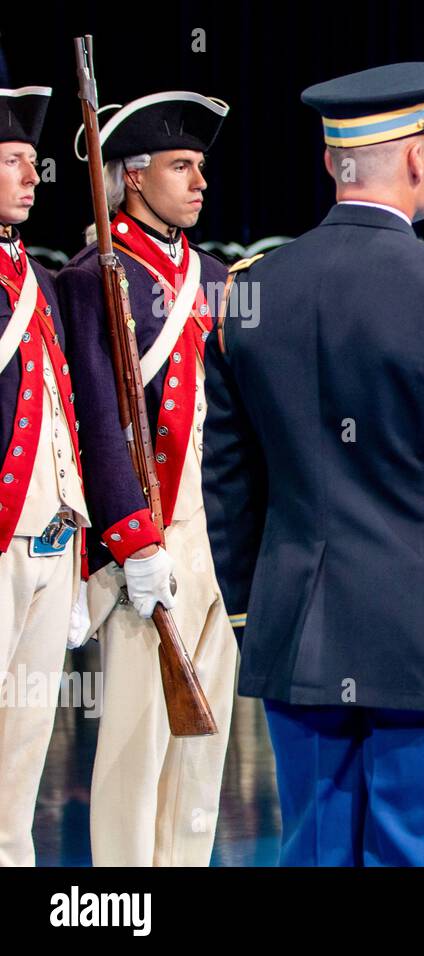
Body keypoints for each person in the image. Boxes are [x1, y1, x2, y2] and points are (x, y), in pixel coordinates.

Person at [202, 62, 424, 866]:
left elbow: (228, 485)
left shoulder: (248, 291)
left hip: (294, 636)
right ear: (419, 160)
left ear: (330, 163)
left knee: (313, 851)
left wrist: (254, 621)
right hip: (420, 640)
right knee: (412, 853)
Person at [58, 90, 237, 868]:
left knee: (205, 749)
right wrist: (132, 538)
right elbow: (97, 416)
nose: (199, 182)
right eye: (180, 166)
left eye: (201, 167)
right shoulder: (95, 275)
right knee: (136, 748)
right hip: (151, 538)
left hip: (216, 532)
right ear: (134, 177)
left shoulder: (217, 275)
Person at [0, 84, 90, 867]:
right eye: (14, 162)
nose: (34, 177)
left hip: (49, 538)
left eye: (34, 163)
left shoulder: (35, 276)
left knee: (26, 744)